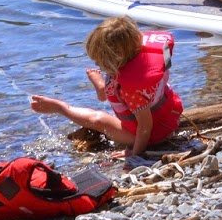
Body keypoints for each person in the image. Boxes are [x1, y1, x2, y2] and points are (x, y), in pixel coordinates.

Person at [29, 17, 184, 158]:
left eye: (100, 61)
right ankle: (97, 88)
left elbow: (145, 127)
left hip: (154, 134)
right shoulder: (139, 63)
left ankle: (62, 108)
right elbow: (106, 95)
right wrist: (100, 84)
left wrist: (133, 153)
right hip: (169, 114)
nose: (97, 65)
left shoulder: (132, 89)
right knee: (109, 97)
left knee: (98, 120)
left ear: (115, 58)